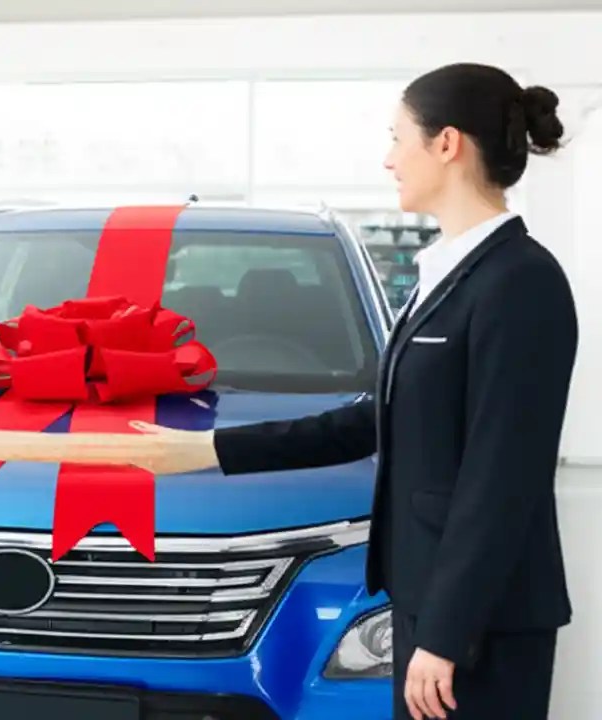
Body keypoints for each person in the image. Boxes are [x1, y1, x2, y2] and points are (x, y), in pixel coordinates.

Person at [132, 63, 575, 720]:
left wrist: (448, 636)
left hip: (480, 622)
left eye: (398, 138)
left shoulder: (520, 282)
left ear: (446, 143)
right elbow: (377, 420)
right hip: (429, 603)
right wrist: (210, 450)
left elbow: (503, 479)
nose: (390, 159)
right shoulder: (445, 273)